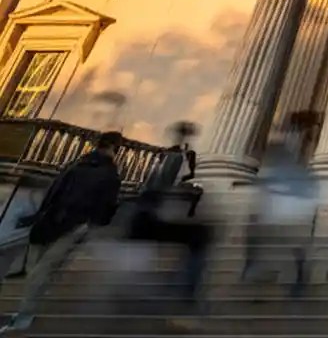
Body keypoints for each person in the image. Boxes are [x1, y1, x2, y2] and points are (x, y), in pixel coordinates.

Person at [2, 131, 123, 334]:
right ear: (114, 148)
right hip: (73, 226)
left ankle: (26, 313)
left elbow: (54, 191)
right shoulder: (110, 174)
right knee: (41, 271)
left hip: (50, 221)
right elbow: (107, 208)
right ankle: (26, 314)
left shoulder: (77, 164)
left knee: (36, 269)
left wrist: (40, 216)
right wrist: (92, 225)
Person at [127, 122, 211, 324]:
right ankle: (181, 295)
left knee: (191, 245)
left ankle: (176, 291)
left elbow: (166, 179)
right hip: (164, 205)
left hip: (161, 205)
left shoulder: (176, 155)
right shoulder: (174, 155)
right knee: (196, 244)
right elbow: (168, 180)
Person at [242, 112, 319, 296]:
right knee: (279, 242)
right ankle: (291, 279)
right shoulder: (285, 143)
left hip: (283, 199)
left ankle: (258, 277)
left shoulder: (286, 143)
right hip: (283, 198)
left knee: (271, 241)